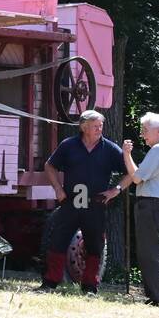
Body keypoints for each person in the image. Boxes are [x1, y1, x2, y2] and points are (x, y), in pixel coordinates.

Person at [42, 110, 125, 295]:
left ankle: (90, 287)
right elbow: (49, 165)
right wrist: (57, 188)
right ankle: (50, 283)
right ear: (84, 127)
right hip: (70, 202)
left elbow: (131, 171)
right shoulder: (69, 145)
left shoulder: (110, 149)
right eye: (95, 126)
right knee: (58, 240)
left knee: (95, 245)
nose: (99, 129)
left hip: (95, 205)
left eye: (101, 125)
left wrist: (116, 190)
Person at [105, 113, 159, 306]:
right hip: (157, 206)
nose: (142, 135)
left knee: (150, 252)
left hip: (152, 206)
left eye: (145, 131)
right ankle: (155, 296)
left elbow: (137, 177)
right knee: (148, 251)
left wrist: (126, 155)